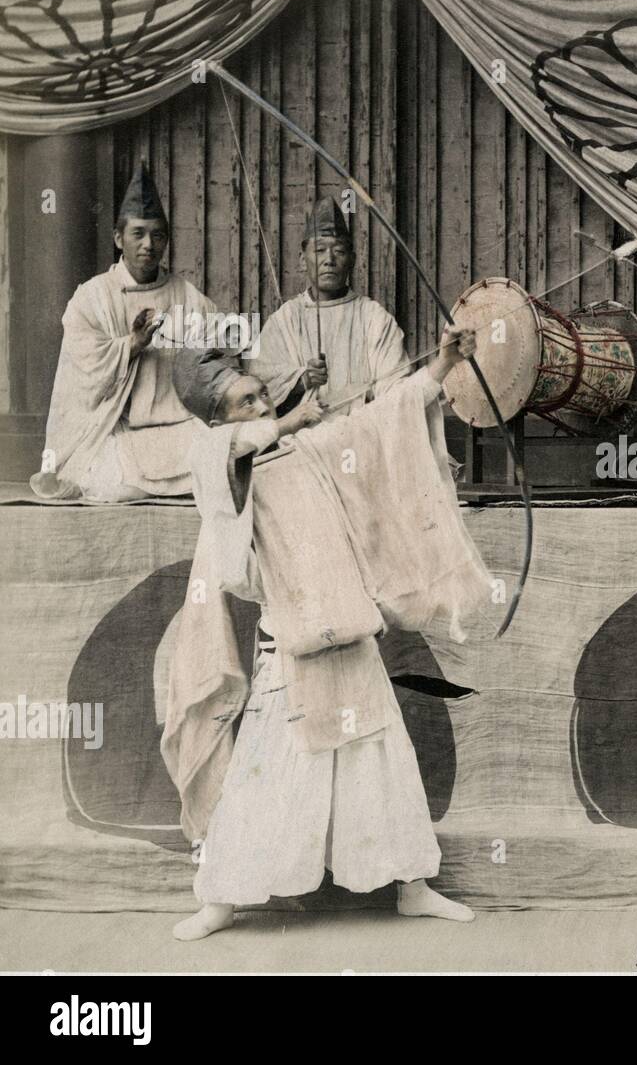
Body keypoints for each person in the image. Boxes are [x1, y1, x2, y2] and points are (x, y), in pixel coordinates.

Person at [166, 323, 486, 942]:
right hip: (291, 643)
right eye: (245, 404)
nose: (261, 406)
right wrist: (284, 422)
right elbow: (216, 452)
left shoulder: (309, 450)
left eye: (262, 394)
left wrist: (441, 367)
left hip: (350, 631)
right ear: (220, 422)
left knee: (383, 758)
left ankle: (412, 887)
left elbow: (381, 419)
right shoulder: (225, 468)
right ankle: (222, 899)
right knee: (265, 768)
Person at [30, 162, 218, 502]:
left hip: (177, 427)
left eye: (157, 235)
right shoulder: (91, 298)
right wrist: (131, 344)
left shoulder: (188, 297)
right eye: (138, 234)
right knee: (112, 485)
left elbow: (224, 354)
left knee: (220, 450)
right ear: (119, 238)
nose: (148, 244)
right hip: (115, 428)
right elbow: (83, 373)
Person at [247, 195, 407, 418]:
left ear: (351, 260)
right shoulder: (284, 320)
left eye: (339, 251)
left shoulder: (374, 318)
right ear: (303, 260)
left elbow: (396, 390)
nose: (329, 259)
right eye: (320, 250)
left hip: (361, 436)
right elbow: (258, 388)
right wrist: (300, 381)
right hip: (300, 441)